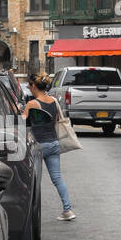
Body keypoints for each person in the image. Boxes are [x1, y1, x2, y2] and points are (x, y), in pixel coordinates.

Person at [22, 74, 74, 221]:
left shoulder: (32, 104)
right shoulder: (54, 101)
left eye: (29, 85)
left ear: (33, 86)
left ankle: (31, 215)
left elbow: (22, 122)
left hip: (38, 145)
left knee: (33, 181)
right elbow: (55, 121)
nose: (28, 88)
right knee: (57, 178)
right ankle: (68, 210)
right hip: (53, 143)